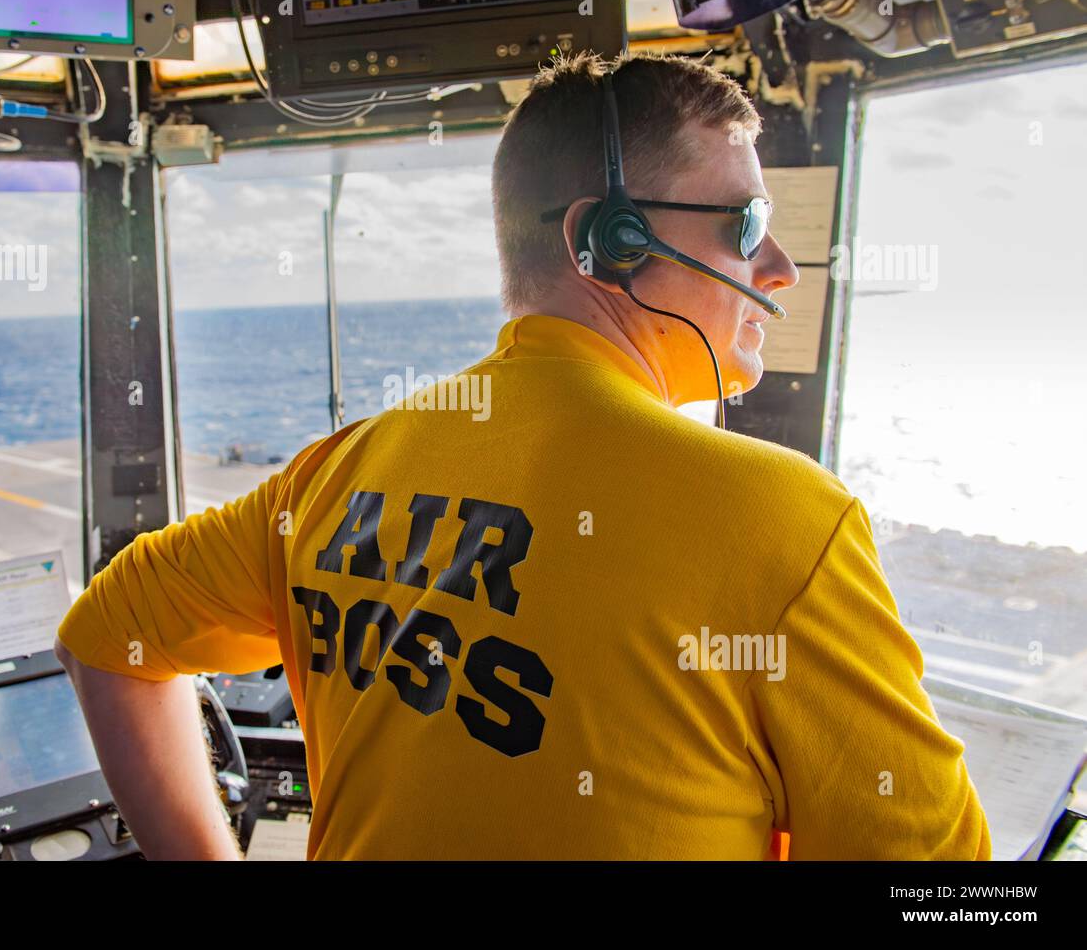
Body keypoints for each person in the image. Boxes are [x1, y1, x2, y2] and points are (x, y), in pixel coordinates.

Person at [54, 50, 991, 861]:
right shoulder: (786, 520)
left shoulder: (340, 468)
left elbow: (106, 636)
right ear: (610, 241)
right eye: (744, 226)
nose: (780, 267)